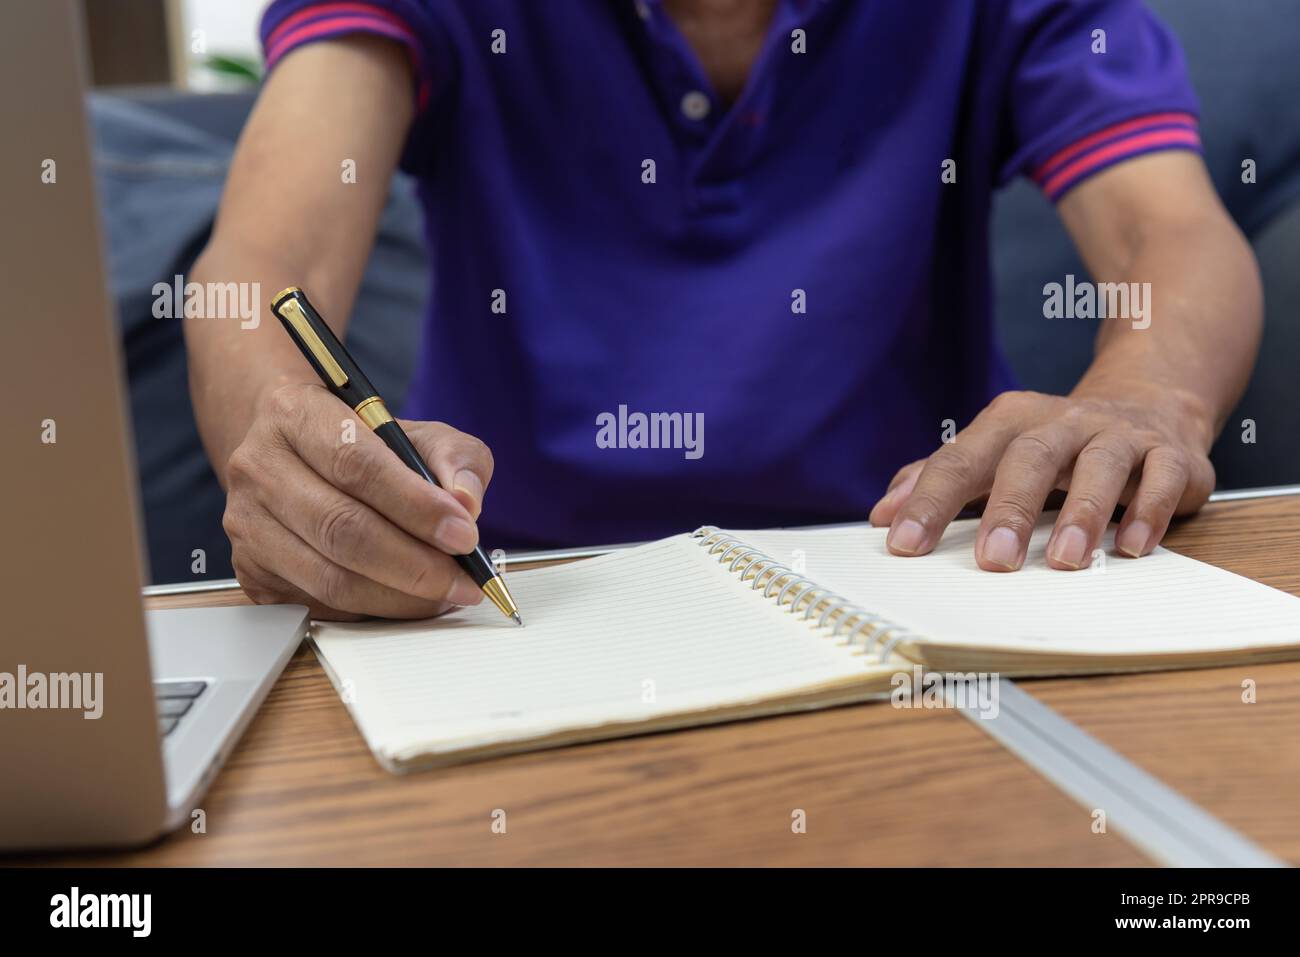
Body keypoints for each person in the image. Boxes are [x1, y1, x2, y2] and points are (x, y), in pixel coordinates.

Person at [186, 0, 1261, 620]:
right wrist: (289, 458)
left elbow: (1165, 230)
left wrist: (1147, 397)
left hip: (918, 578)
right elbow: (263, 267)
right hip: (497, 593)